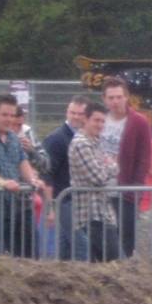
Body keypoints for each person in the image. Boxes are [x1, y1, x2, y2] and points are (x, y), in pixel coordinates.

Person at [99, 77, 152, 257]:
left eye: (119, 97)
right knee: (101, 235)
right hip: (99, 187)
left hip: (125, 189)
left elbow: (144, 157)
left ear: (126, 97)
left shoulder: (138, 122)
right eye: (111, 97)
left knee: (125, 237)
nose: (115, 101)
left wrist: (136, 187)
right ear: (104, 99)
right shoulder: (98, 119)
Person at [0, 92, 46, 257]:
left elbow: (23, 162)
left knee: (29, 258)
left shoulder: (14, 139)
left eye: (12, 115)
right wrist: (2, 183)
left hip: (19, 206)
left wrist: (33, 180)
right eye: (4, 114)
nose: (9, 119)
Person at [67, 98, 120, 262]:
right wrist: (112, 167)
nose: (100, 125)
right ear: (85, 119)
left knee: (107, 265)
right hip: (91, 215)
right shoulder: (81, 144)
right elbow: (98, 177)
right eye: (96, 120)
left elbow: (109, 167)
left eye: (103, 121)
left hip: (102, 213)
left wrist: (110, 166)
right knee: (113, 264)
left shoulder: (95, 142)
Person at [43, 97, 92, 260]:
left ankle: (60, 280)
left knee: (65, 246)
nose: (76, 117)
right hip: (64, 200)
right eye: (73, 113)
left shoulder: (85, 137)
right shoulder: (57, 139)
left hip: (78, 200)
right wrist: (50, 207)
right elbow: (47, 173)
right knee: (81, 246)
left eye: (80, 113)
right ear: (67, 112)